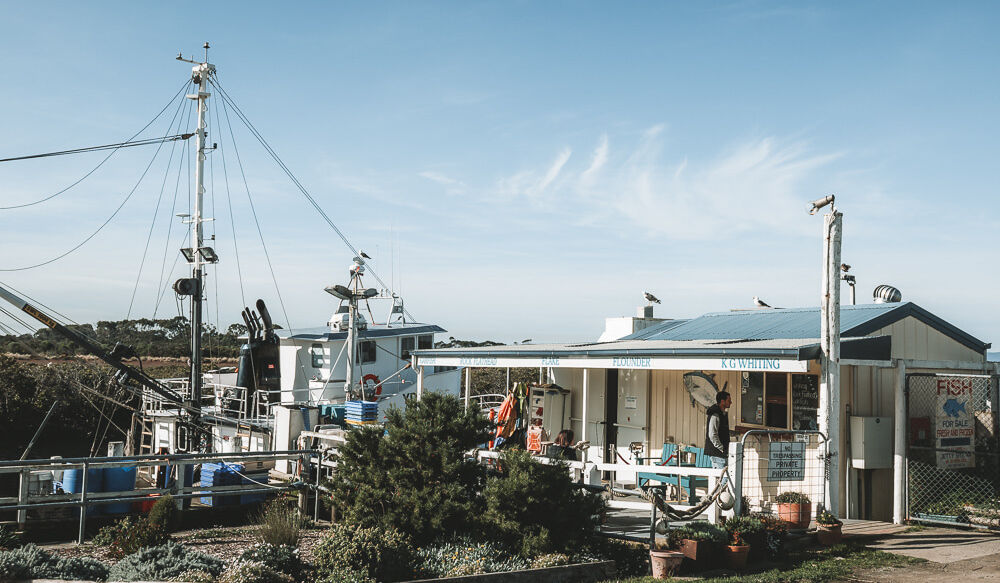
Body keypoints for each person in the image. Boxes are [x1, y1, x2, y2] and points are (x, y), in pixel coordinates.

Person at [704, 391, 732, 486]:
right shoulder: (715, 414)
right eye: (729, 400)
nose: (731, 402)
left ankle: (719, 495)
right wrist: (721, 448)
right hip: (717, 453)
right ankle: (718, 495)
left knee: (725, 478)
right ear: (722, 401)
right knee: (724, 479)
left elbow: (721, 431)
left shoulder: (722, 414)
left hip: (721, 453)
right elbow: (712, 434)